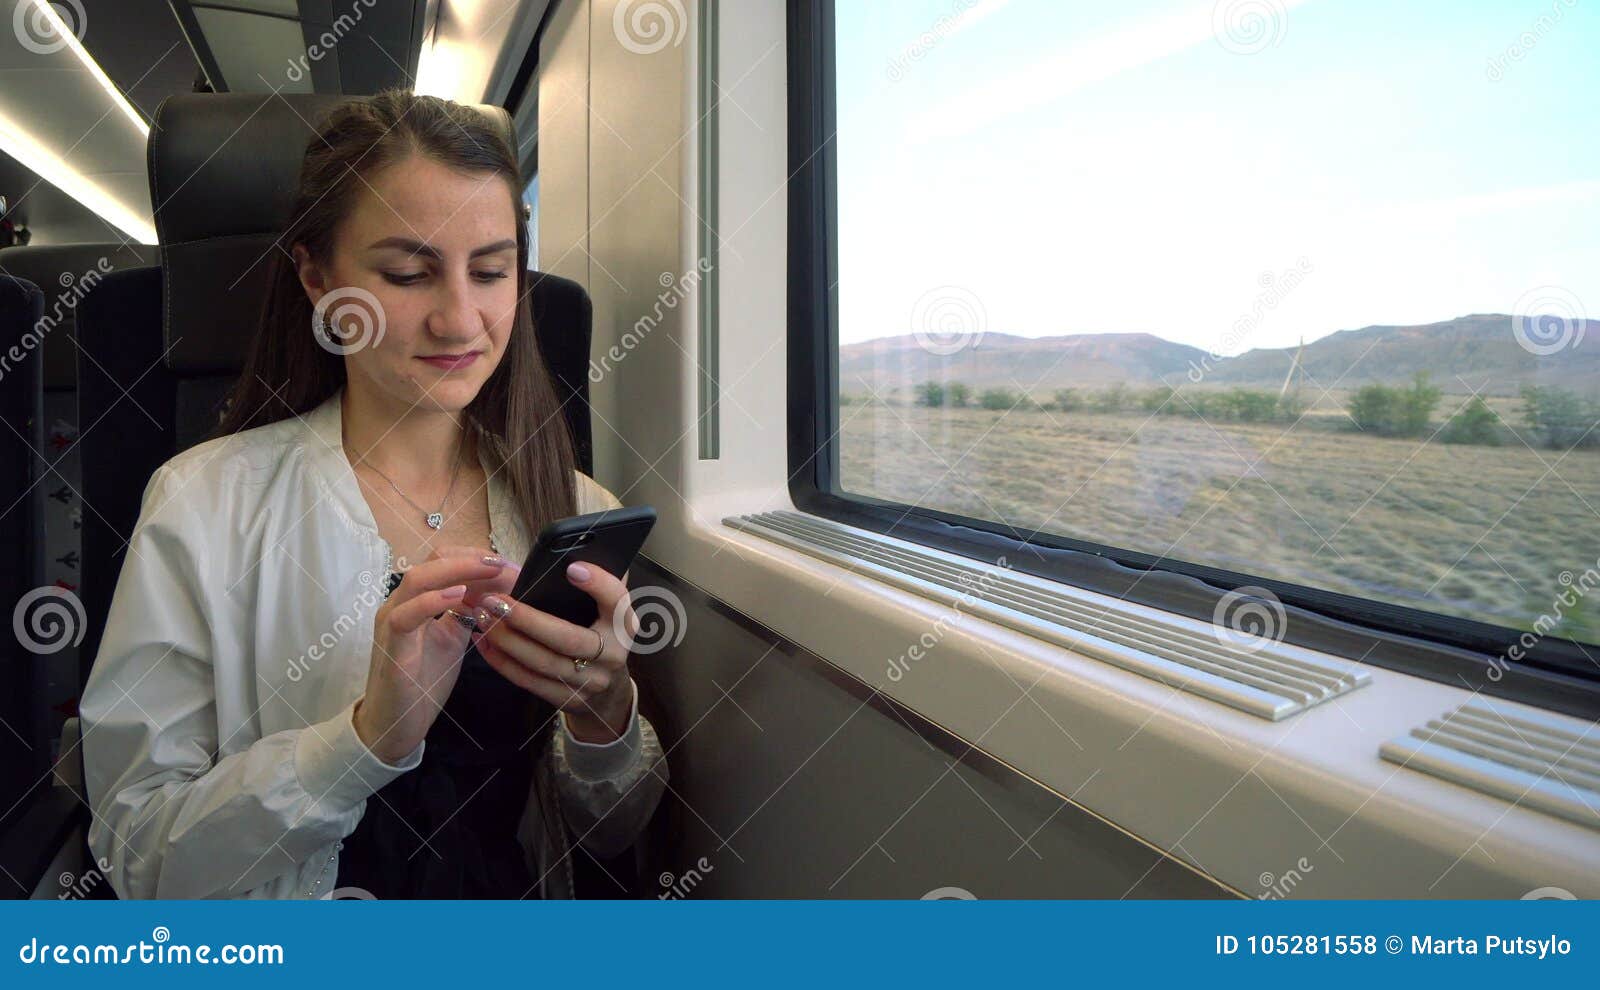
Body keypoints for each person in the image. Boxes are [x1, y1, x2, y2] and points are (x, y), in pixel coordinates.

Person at [79, 90, 666, 899]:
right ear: (318, 279)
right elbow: (139, 853)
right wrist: (363, 742)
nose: (461, 320)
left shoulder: (569, 505)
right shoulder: (204, 503)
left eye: (491, 271)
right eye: (407, 274)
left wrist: (605, 720)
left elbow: (610, 833)